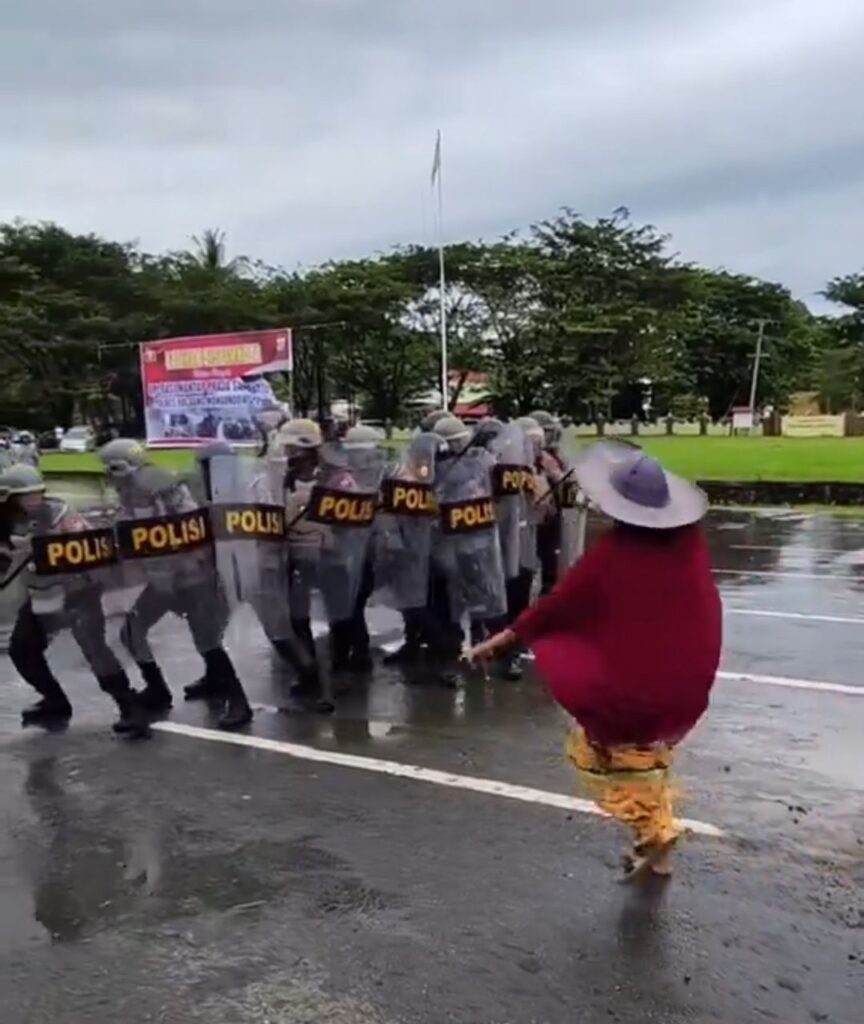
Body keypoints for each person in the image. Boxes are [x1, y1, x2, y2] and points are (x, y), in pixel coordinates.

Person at [466, 443, 721, 881]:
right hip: (685, 676)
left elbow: (559, 606)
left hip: (629, 688)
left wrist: (501, 640)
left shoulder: (613, 554)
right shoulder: (690, 546)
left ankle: (655, 831)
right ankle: (655, 851)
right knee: (649, 757)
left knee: (605, 755)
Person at [99, 438, 252, 730]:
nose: (108, 476)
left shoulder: (168, 491)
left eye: (111, 469)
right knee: (131, 631)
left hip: (191, 577)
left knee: (207, 640)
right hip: (161, 579)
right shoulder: (129, 494)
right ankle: (157, 688)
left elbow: (192, 530)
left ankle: (239, 702)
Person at [0, 463, 150, 737]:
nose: (33, 501)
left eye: (36, 494)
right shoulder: (6, 521)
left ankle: (130, 708)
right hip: (43, 595)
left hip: (78, 592)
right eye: (26, 496)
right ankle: (54, 700)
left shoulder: (62, 517)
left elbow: (92, 550)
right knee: (22, 649)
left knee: (95, 651)